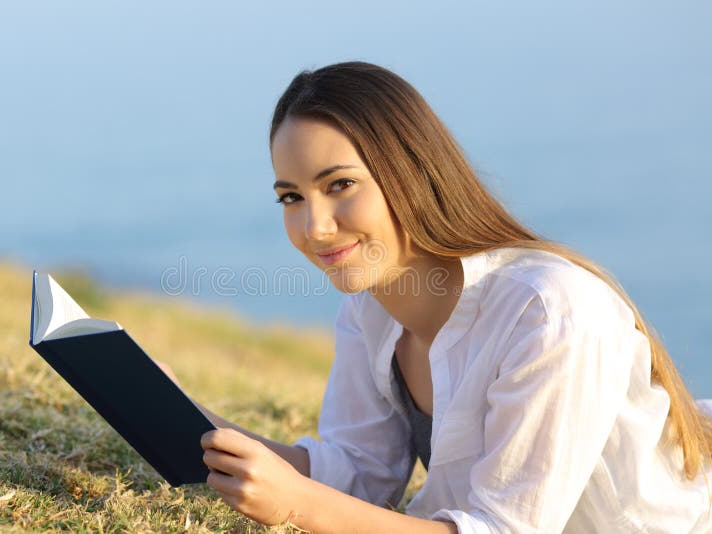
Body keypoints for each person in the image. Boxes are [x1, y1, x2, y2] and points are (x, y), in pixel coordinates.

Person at [159, 61, 712, 533]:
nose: (315, 227)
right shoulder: (370, 305)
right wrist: (195, 421)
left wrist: (297, 504)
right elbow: (359, 473)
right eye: (290, 197)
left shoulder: (548, 311)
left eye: (339, 185)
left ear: (411, 172)